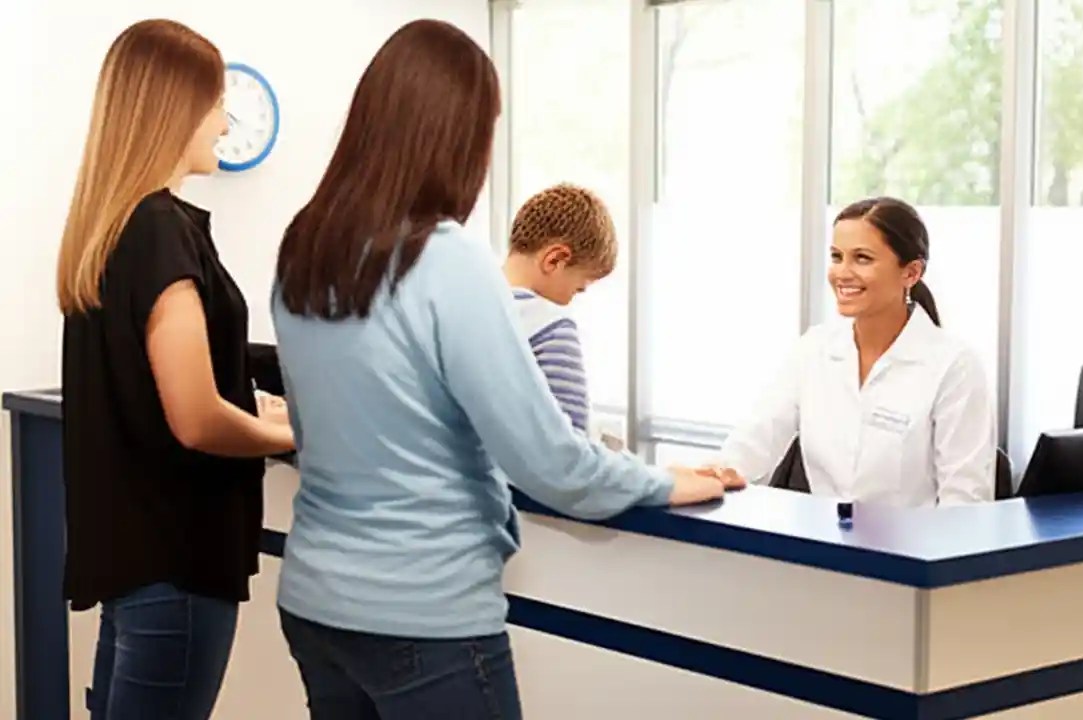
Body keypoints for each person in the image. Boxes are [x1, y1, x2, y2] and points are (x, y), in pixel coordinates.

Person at [269, 20, 740, 719]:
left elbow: (322, 430)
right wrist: (668, 481)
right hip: (422, 617)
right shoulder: (445, 257)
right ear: (453, 139)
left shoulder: (305, 246)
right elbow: (551, 461)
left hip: (315, 604)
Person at [55, 19, 295, 719]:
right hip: (178, 566)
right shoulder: (160, 231)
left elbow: (161, 368)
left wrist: (260, 393)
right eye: (218, 103)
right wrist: (293, 433)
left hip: (134, 564)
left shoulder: (110, 231)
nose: (224, 123)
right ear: (177, 108)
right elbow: (194, 418)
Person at [705, 197, 995, 506]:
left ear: (911, 273)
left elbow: (966, 503)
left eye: (862, 258)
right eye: (836, 256)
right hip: (828, 547)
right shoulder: (814, 349)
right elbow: (756, 440)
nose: (842, 273)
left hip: (916, 551)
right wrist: (710, 477)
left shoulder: (954, 366)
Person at [503, 183, 615, 438]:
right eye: (578, 289)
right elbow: (569, 452)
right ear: (554, 260)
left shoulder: (456, 307)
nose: (569, 302)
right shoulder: (550, 327)